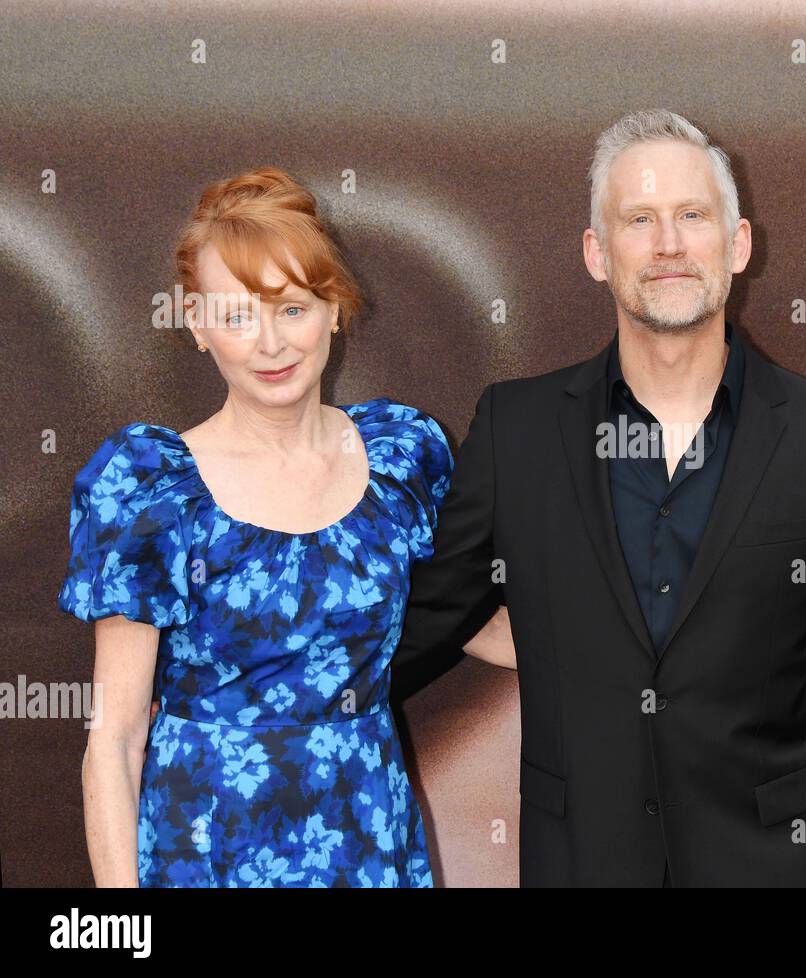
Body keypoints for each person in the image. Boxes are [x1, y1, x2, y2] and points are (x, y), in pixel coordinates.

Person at [392, 109, 806, 887]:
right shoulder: (517, 428)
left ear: (738, 245)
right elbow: (418, 625)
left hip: (768, 867)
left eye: (692, 216)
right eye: (640, 219)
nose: (668, 244)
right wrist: (230, 693)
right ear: (598, 254)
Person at [58, 166, 509, 887]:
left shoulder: (401, 457)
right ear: (199, 326)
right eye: (237, 316)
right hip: (205, 850)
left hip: (367, 842)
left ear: (334, 308)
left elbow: (466, 619)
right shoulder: (150, 489)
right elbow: (114, 739)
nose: (270, 343)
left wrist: (635, 645)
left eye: (292, 308)